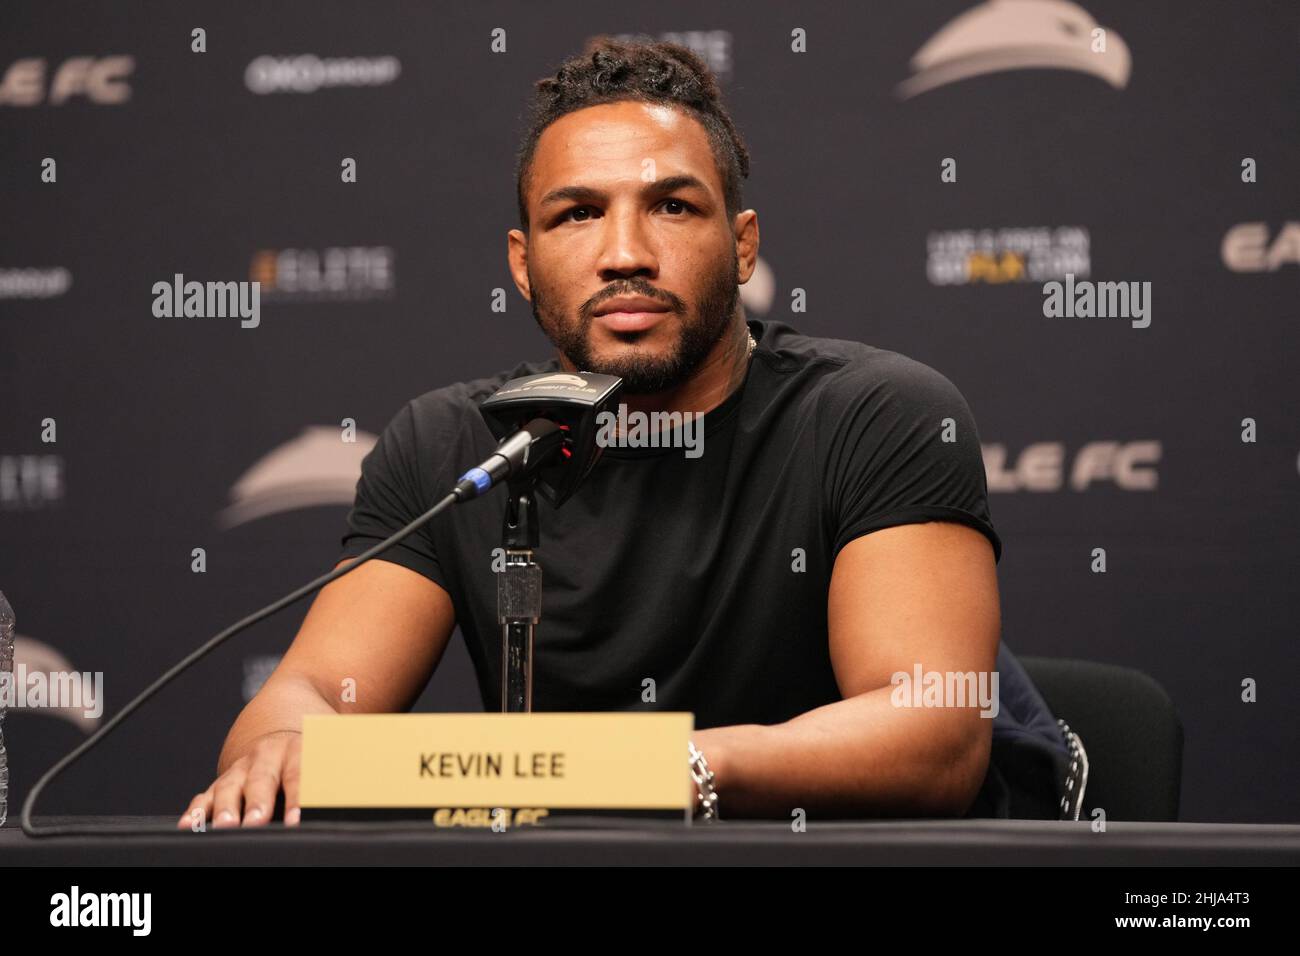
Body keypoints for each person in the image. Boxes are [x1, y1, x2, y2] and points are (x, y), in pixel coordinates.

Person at [178, 37, 1069, 830]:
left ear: (745, 246)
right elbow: (304, 694)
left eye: (673, 207)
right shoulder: (457, 445)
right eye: (578, 214)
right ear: (523, 266)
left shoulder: (879, 414)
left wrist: (640, 773)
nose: (626, 254)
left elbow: (932, 736)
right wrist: (287, 741)